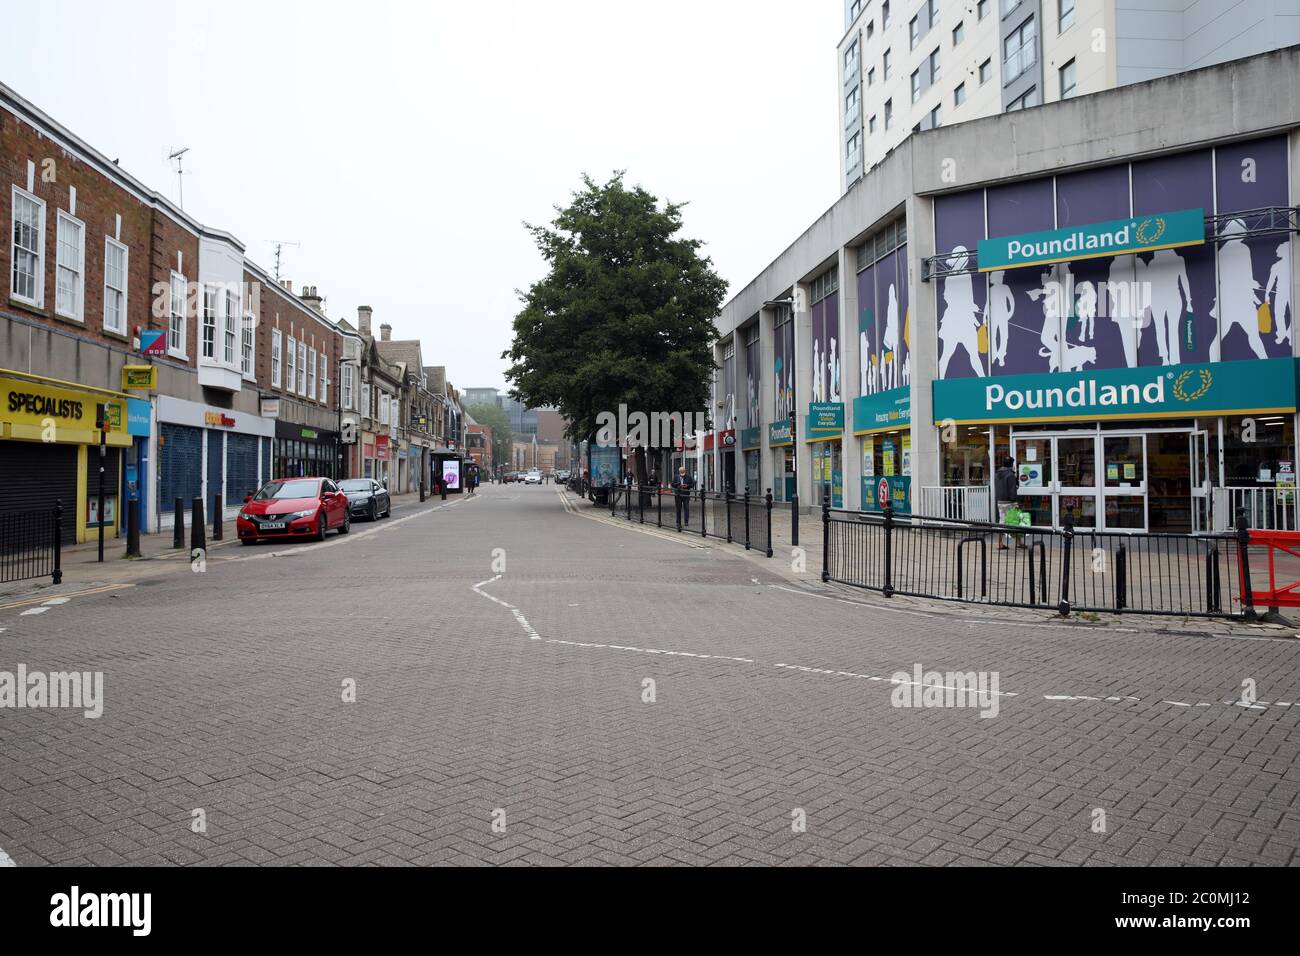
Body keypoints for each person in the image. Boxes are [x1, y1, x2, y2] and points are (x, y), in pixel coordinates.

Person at [994, 456, 1019, 550]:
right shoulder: (1010, 474)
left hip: (1000, 501)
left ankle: (1000, 542)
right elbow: (1012, 489)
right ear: (1011, 465)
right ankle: (1018, 542)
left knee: (1002, 522)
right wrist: (1014, 500)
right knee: (1017, 521)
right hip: (1009, 501)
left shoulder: (997, 474)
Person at [671, 465, 696, 530]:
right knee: (678, 509)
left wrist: (687, 486)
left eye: (683, 473)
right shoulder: (676, 477)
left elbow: (692, 484)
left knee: (686, 508)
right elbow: (672, 484)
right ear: (679, 472)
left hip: (686, 494)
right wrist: (678, 484)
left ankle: (686, 521)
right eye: (681, 474)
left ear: (685, 471)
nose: (682, 475)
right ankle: (678, 522)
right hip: (678, 495)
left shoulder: (688, 477)